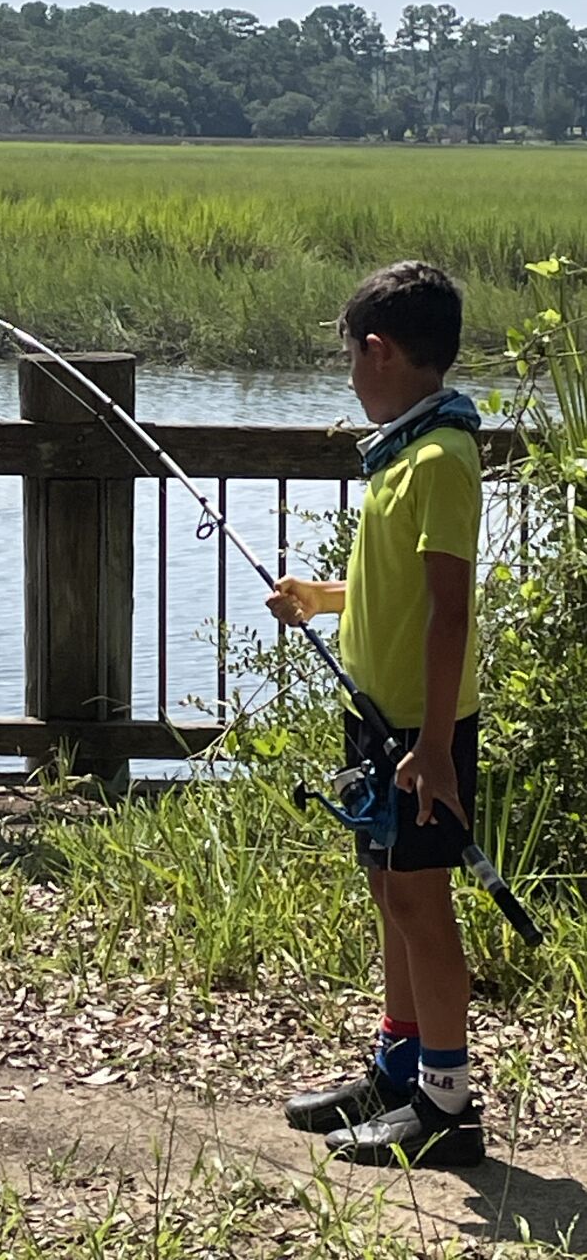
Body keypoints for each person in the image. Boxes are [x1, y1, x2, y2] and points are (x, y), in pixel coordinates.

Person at [266, 262, 484, 1168]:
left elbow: (448, 606)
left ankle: (447, 1102)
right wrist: (321, 596)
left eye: (349, 360)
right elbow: (392, 588)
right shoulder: (404, 450)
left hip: (422, 734)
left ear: (378, 350)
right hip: (384, 724)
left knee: (423, 906)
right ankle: (398, 1065)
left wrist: (434, 745)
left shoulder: (440, 456)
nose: (349, 378)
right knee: (390, 890)